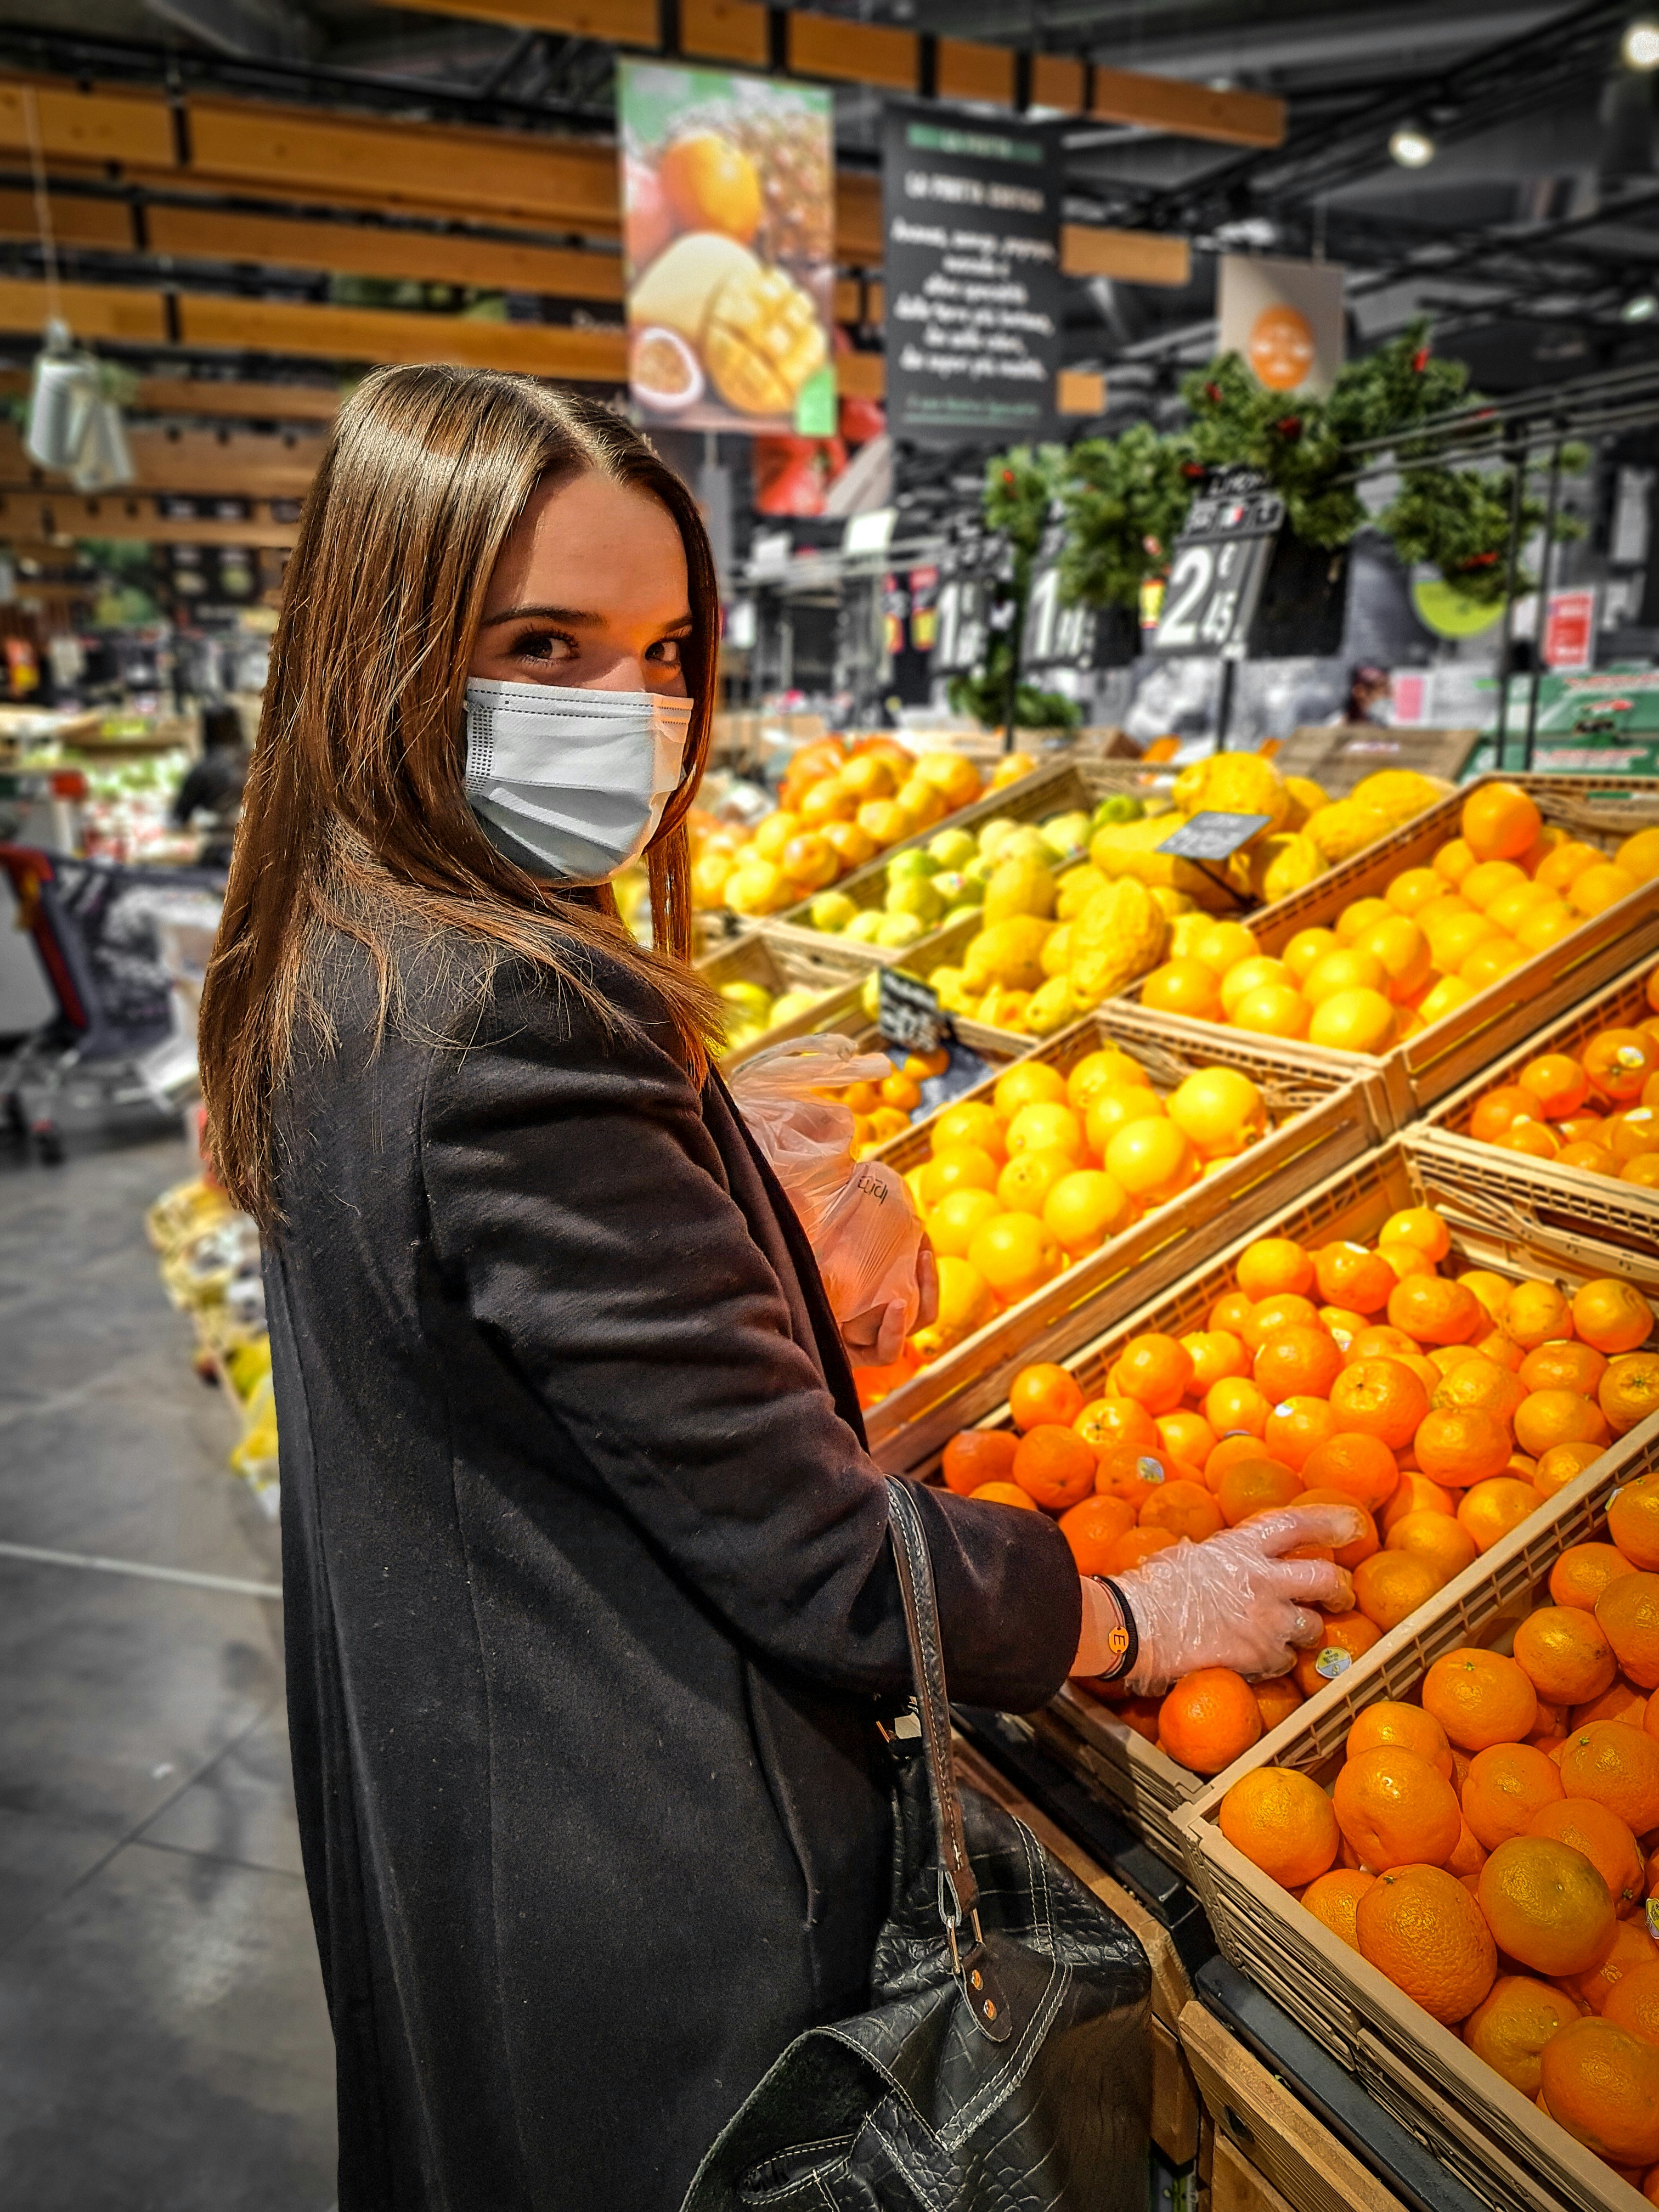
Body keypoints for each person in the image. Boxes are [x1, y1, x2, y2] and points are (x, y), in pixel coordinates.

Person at [198, 366, 1354, 2212]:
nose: (631, 716)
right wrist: (1143, 1610)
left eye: (664, 655)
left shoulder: (336, 947)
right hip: (643, 1877)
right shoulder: (515, 1014)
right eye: (546, 646)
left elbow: (495, 1302)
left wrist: (724, 1195)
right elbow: (818, 1564)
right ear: (387, 648)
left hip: (468, 1823)